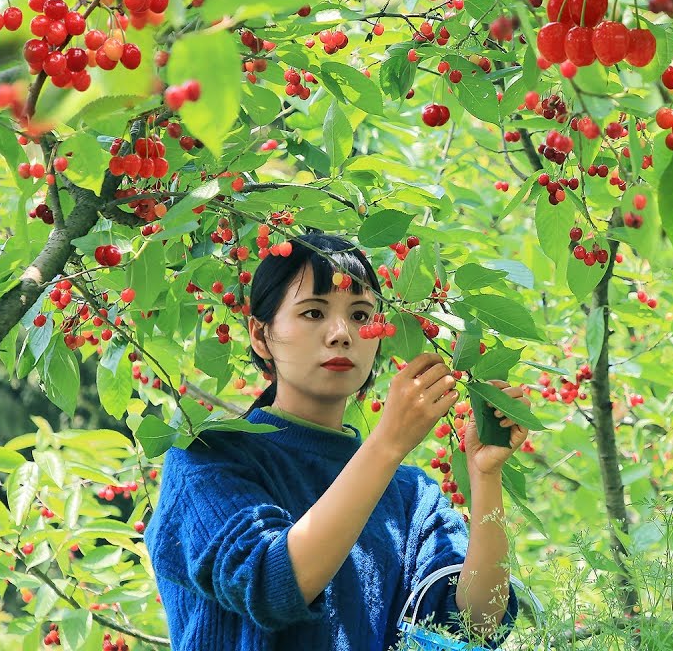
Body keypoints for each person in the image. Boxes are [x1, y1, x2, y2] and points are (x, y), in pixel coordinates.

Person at [144, 230, 530, 650]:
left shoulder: (410, 495)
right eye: (313, 312)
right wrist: (387, 444)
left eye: (361, 316)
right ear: (260, 335)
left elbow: (474, 626)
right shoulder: (206, 460)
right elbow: (272, 584)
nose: (341, 333)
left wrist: (485, 477)